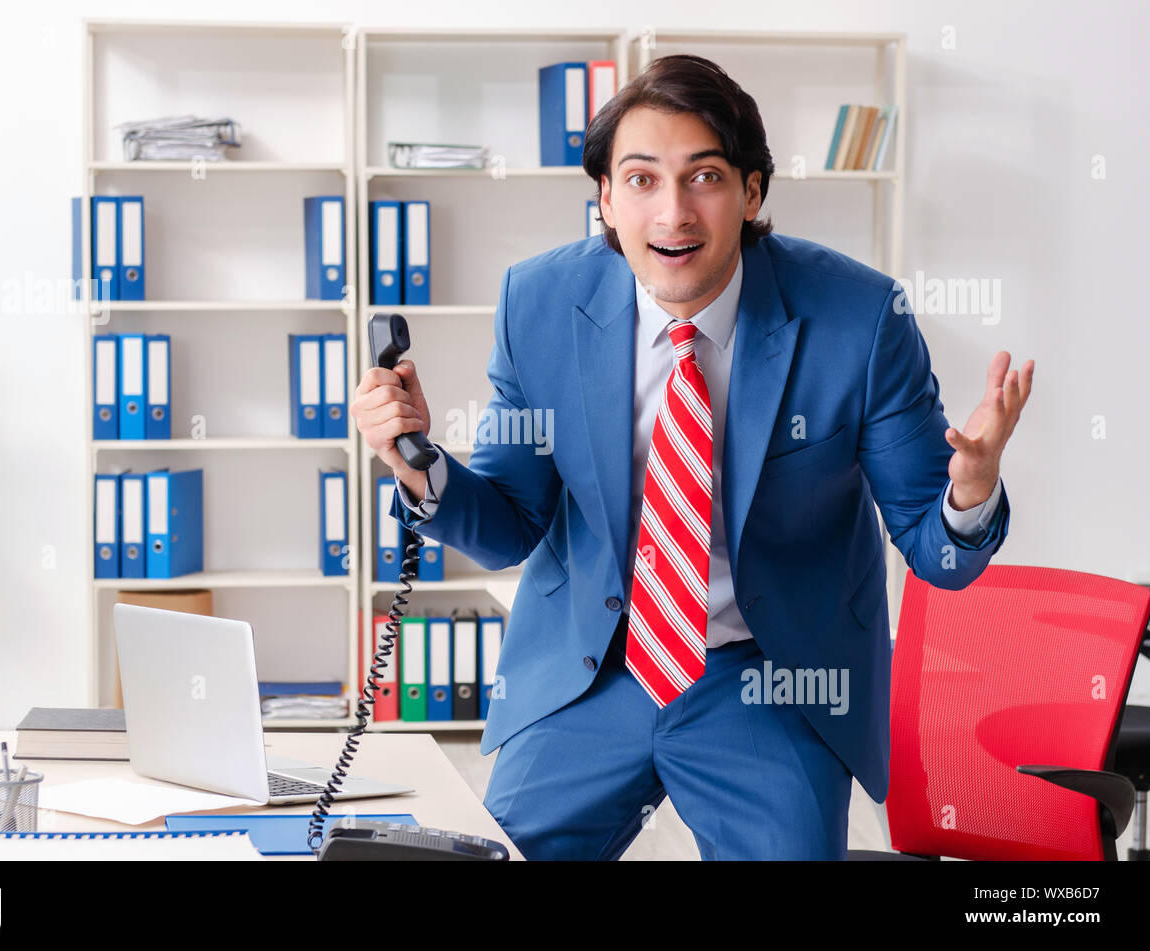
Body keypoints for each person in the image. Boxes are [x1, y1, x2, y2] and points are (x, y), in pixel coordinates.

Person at [353, 54, 1033, 860]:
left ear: (750, 193)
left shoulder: (860, 318)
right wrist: (418, 464)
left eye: (703, 176)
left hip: (771, 676)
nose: (672, 212)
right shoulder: (538, 305)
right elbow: (510, 525)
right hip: (592, 668)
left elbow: (938, 553)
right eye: (640, 180)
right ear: (605, 200)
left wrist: (972, 489)